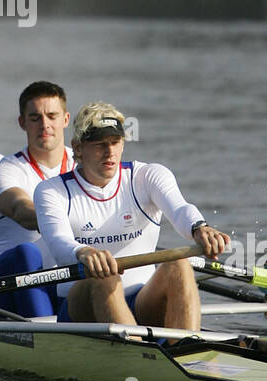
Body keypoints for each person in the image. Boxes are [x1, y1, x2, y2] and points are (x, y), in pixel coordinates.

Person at [35, 102, 230, 332]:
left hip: (141, 303)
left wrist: (199, 228)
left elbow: (180, 210)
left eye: (115, 142)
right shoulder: (52, 191)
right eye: (99, 145)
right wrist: (84, 252)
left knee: (179, 264)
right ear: (78, 148)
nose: (110, 152)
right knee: (106, 275)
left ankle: (188, 349)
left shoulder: (147, 176)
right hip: (81, 309)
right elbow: (59, 243)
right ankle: (140, 353)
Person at [0, 81, 74, 316]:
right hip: (5, 287)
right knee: (27, 252)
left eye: (52, 116)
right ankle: (47, 339)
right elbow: (21, 210)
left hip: (63, 282)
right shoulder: (5, 171)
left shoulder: (84, 166)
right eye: (35, 118)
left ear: (65, 119)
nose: (45, 125)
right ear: (22, 123)